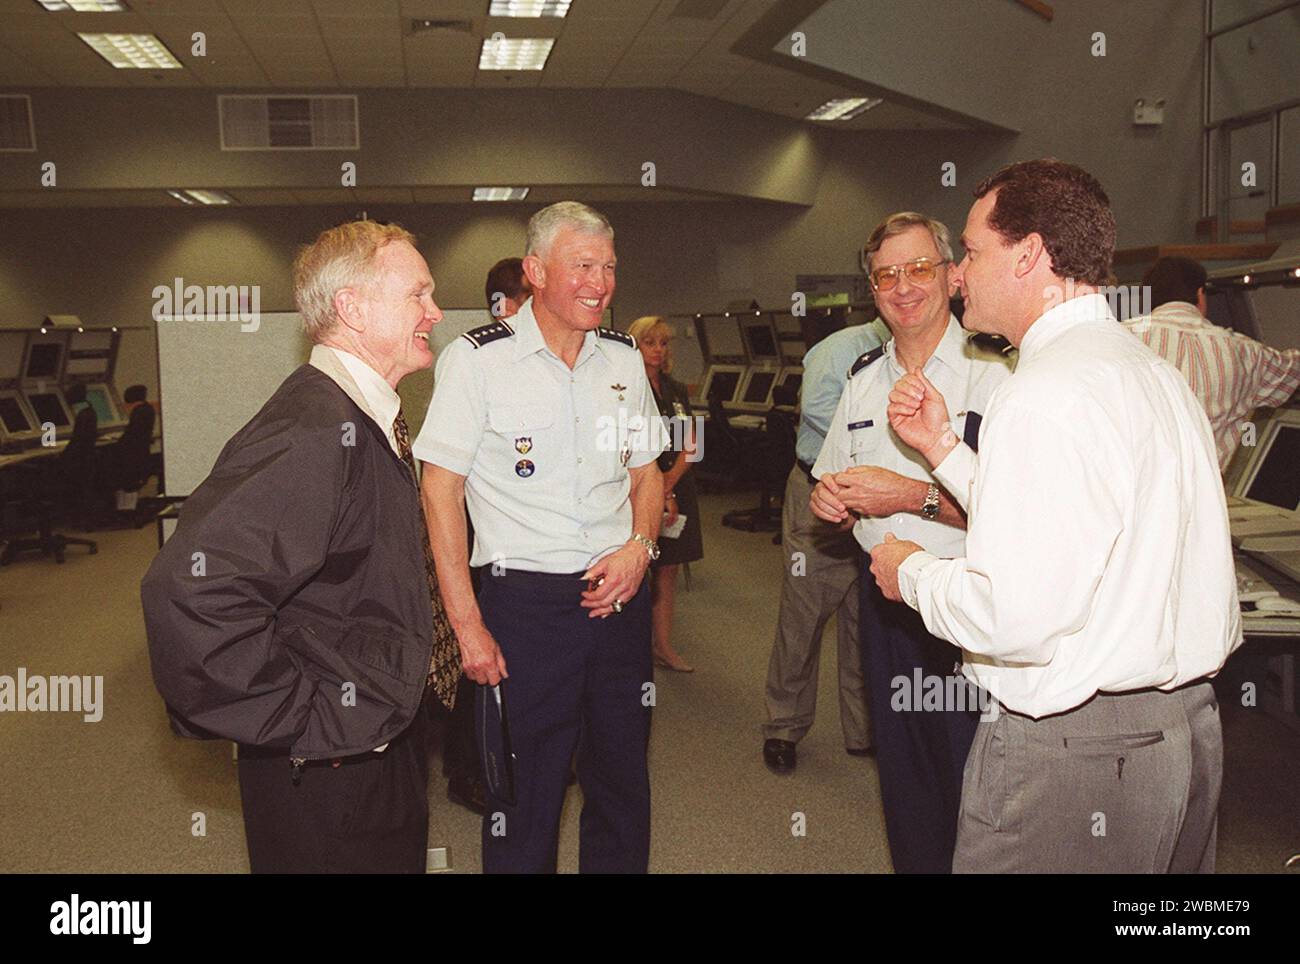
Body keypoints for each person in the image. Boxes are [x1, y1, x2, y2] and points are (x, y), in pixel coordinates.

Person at [872, 159, 1242, 873]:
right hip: (1182, 731)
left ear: (1030, 254)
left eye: (972, 253)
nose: (957, 276)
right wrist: (944, 450)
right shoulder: (1145, 372)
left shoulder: (1043, 392)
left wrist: (911, 572)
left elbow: (1015, 614)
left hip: (1080, 754)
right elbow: (1067, 528)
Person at [141, 220, 461, 873]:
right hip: (330, 764)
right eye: (418, 294)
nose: (435, 311)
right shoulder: (316, 427)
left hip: (375, 736)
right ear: (352, 308)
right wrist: (308, 719)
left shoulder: (360, 416)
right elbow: (188, 591)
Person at [416, 201, 665, 874]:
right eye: (582, 265)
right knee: (523, 795)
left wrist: (640, 548)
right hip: (522, 607)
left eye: (609, 267)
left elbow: (648, 476)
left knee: (621, 786)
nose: (600, 282)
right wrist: (466, 625)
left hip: (617, 598)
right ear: (536, 271)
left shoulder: (622, 360)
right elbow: (439, 492)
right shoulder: (478, 362)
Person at [810, 211, 1012, 872]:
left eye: (919, 269)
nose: (903, 287)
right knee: (905, 785)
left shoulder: (999, 376)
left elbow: (1016, 515)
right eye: (886, 275)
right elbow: (837, 482)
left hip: (968, 611)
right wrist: (834, 502)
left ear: (952, 277)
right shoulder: (865, 378)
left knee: (978, 787)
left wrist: (908, 495)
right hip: (888, 610)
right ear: (872, 290)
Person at [759, 314, 889, 773]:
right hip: (823, 494)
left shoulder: (919, 350)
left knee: (864, 617)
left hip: (883, 501)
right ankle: (784, 726)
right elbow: (816, 410)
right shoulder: (841, 349)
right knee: (804, 615)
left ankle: (862, 729)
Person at [442, 256, 533, 817]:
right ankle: (466, 770)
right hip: (481, 543)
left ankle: (518, 758)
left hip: (525, 546)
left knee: (519, 663)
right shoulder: (475, 363)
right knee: (477, 660)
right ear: (507, 303)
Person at [1122, 255, 1300, 470]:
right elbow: (1291, 370)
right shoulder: (1241, 350)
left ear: (1149, 298)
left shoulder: (1120, 338)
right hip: (1205, 499)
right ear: (1200, 294)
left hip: (1129, 498)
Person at [627, 315, 702, 673]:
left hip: (676, 486)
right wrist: (659, 488)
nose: (658, 350)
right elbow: (626, 449)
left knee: (668, 567)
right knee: (638, 566)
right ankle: (633, 648)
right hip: (639, 490)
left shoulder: (674, 389)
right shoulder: (625, 390)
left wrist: (669, 484)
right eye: (649, 342)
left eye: (663, 343)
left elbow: (693, 441)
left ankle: (663, 646)